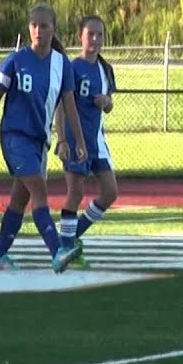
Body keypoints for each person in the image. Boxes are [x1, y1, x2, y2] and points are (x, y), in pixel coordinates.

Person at [0, 3, 88, 273]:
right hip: (14, 137)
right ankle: (57, 251)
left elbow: (69, 105)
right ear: (28, 28)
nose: (38, 30)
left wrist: (78, 141)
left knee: (19, 200)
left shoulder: (62, 65)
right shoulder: (15, 60)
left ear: (54, 29)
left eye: (44, 25)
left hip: (39, 141)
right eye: (34, 25)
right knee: (39, 190)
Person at [55, 15, 119, 267]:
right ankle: (68, 248)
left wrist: (107, 102)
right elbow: (61, 105)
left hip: (96, 141)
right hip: (74, 138)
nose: (95, 39)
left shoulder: (105, 69)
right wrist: (62, 139)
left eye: (99, 34)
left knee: (111, 192)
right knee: (76, 193)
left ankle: (70, 238)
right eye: (90, 34)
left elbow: (109, 105)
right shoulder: (72, 68)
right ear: (80, 36)